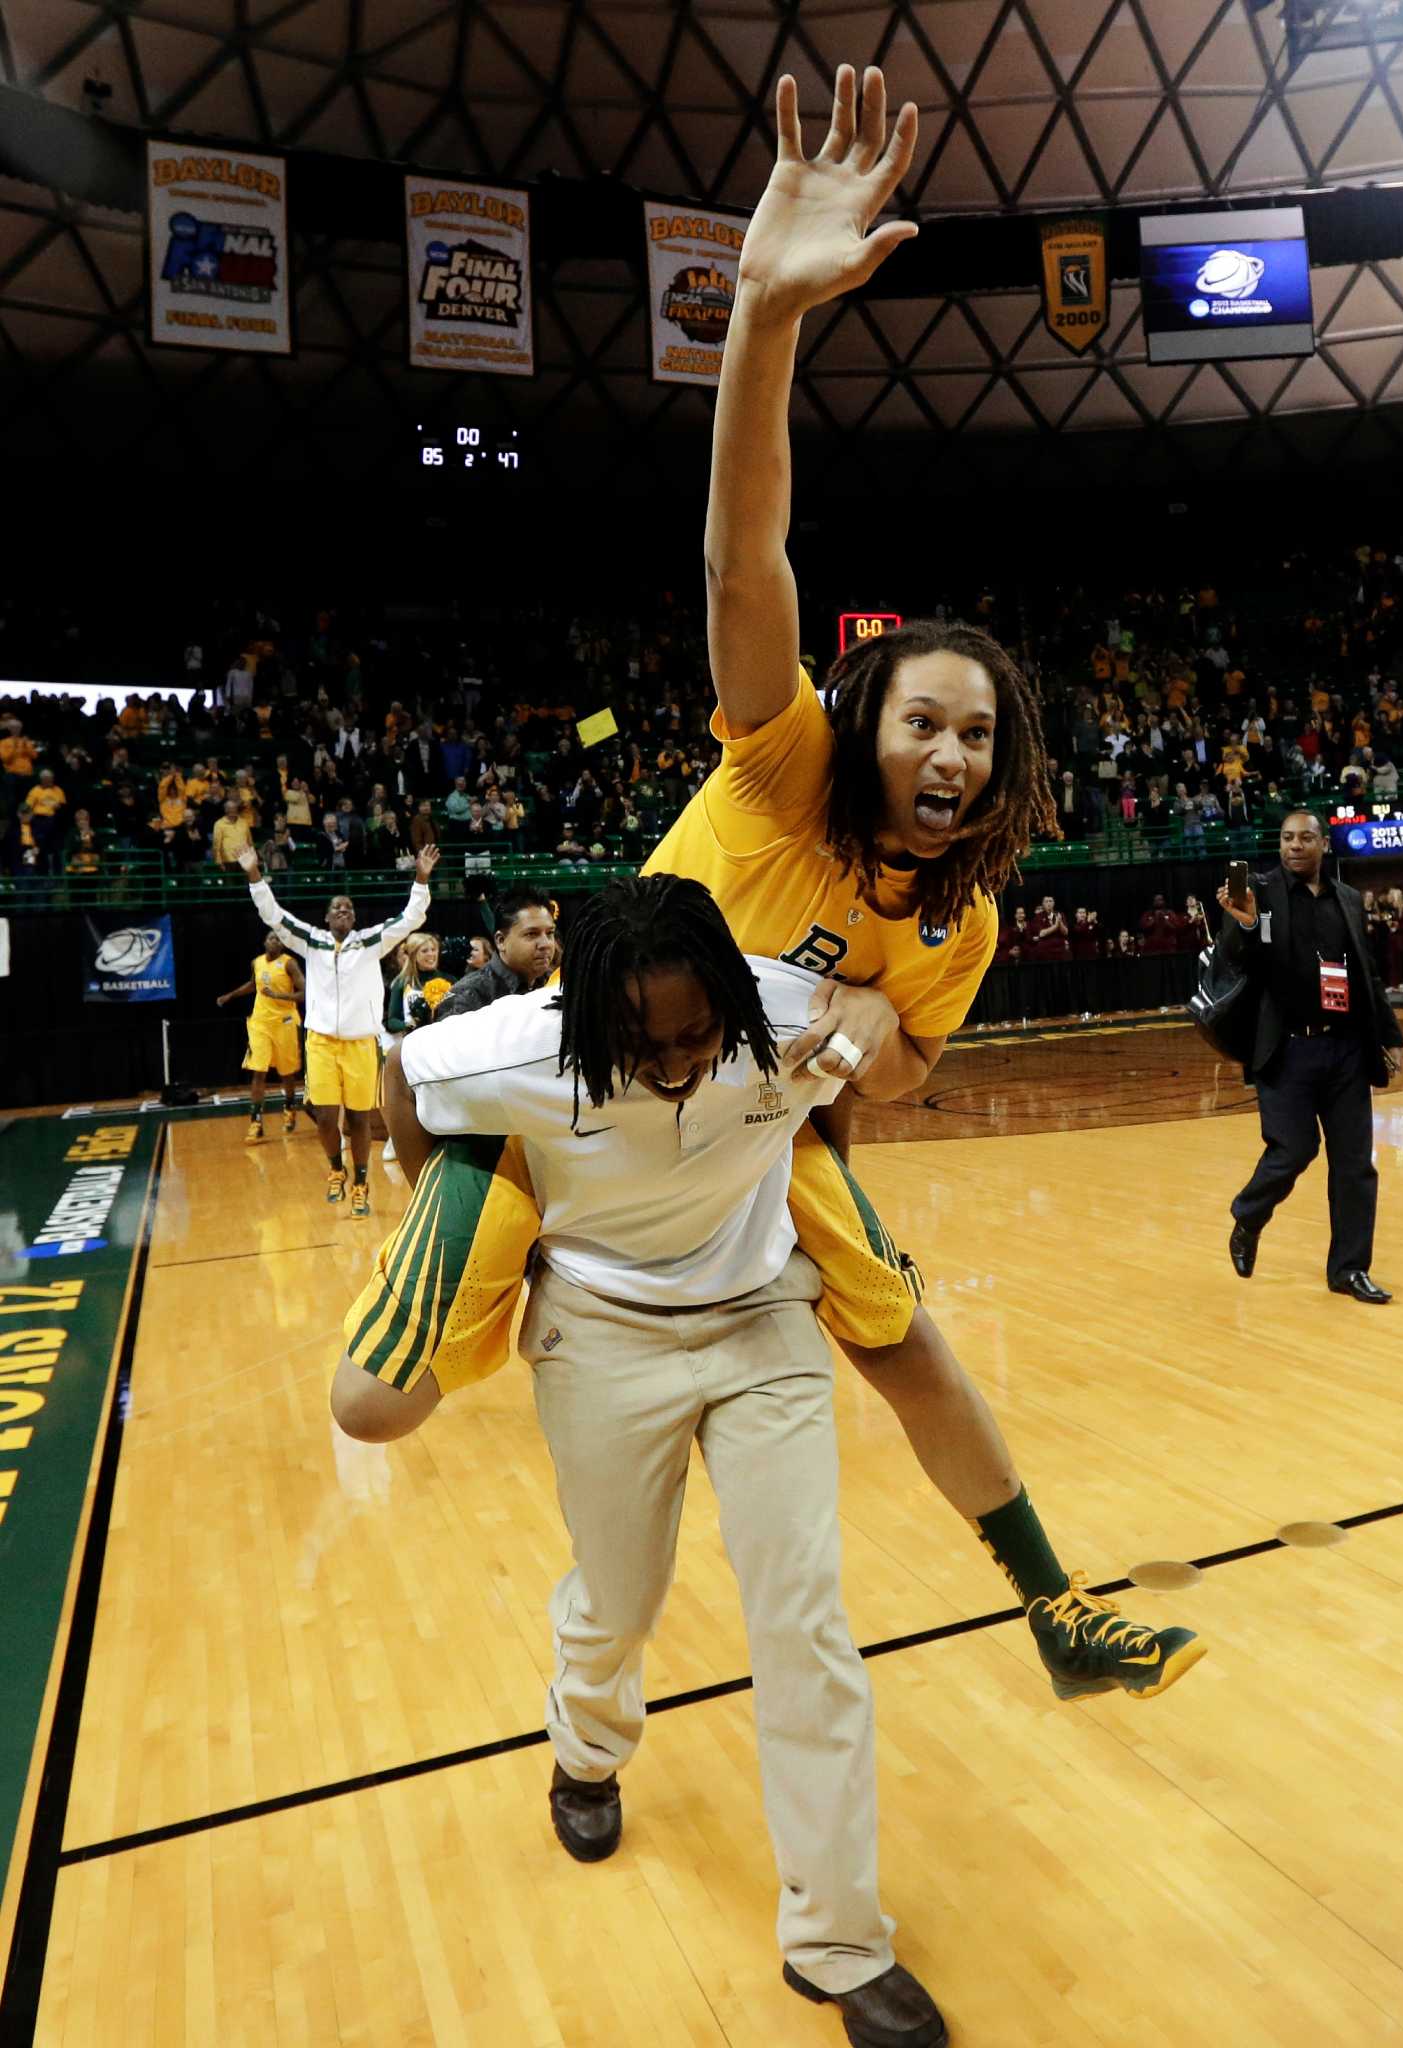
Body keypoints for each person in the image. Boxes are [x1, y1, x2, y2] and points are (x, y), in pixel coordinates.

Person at [331, 66, 1206, 1722]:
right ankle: (487, 1234)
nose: (947, 747)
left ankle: (1053, 1600)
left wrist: (880, 1043)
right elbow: (746, 558)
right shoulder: (773, 760)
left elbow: (916, 1077)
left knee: (907, 1343)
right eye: (921, 716)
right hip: (584, 1094)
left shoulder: (961, 923)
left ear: (1000, 765)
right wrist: (763, 316)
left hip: (753, 1144)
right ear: (862, 720)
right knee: (372, 1411)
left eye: (976, 730)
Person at [338, 875, 949, 2044]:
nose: (671, 1064)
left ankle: (838, 1939)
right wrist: (444, 1207)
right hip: (598, 1330)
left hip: (762, 1317)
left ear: (728, 997)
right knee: (620, 1600)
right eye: (639, 1043)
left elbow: (838, 1090)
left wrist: (815, 1175)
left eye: (691, 1035)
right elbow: (402, 1075)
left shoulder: (784, 1015)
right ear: (582, 1015)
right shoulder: (510, 1045)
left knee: (804, 1615)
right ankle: (585, 1748)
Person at [1218, 809, 1403, 1302]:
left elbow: (1365, 975)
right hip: (1287, 1049)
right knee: (1292, 1150)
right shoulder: (1260, 894)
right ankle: (1248, 1216)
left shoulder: (1347, 899)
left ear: (1324, 844)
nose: (1294, 846)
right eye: (1285, 838)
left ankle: (1348, 1269)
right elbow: (1238, 962)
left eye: (1304, 838)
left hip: (1345, 1049)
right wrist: (1243, 924)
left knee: (1354, 1165)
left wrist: (1389, 1036)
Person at [237, 840, 438, 1215]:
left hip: (361, 1043)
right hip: (321, 1042)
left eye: (348, 907)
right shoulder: (311, 941)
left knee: (359, 1118)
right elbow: (274, 916)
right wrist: (254, 875)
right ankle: (336, 1169)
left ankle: (361, 1182)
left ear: (354, 917)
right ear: (327, 918)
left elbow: (411, 918)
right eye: (336, 908)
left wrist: (421, 878)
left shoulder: (371, 942)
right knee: (326, 1117)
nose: (343, 910)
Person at [216, 930, 306, 1142]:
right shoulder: (256, 963)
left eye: (278, 938)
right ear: (265, 942)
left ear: (282, 945)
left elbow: (305, 992)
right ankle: (255, 1122)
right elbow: (252, 984)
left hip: (285, 1022)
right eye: (270, 938)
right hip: (260, 1023)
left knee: (287, 1073)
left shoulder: (289, 963)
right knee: (258, 1071)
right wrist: (230, 995)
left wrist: (279, 995)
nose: (273, 941)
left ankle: (289, 1108)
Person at [438, 889, 557, 1009]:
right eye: (531, 934)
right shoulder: (468, 995)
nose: (545, 944)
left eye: (550, 933)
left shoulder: (558, 985)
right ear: (501, 941)